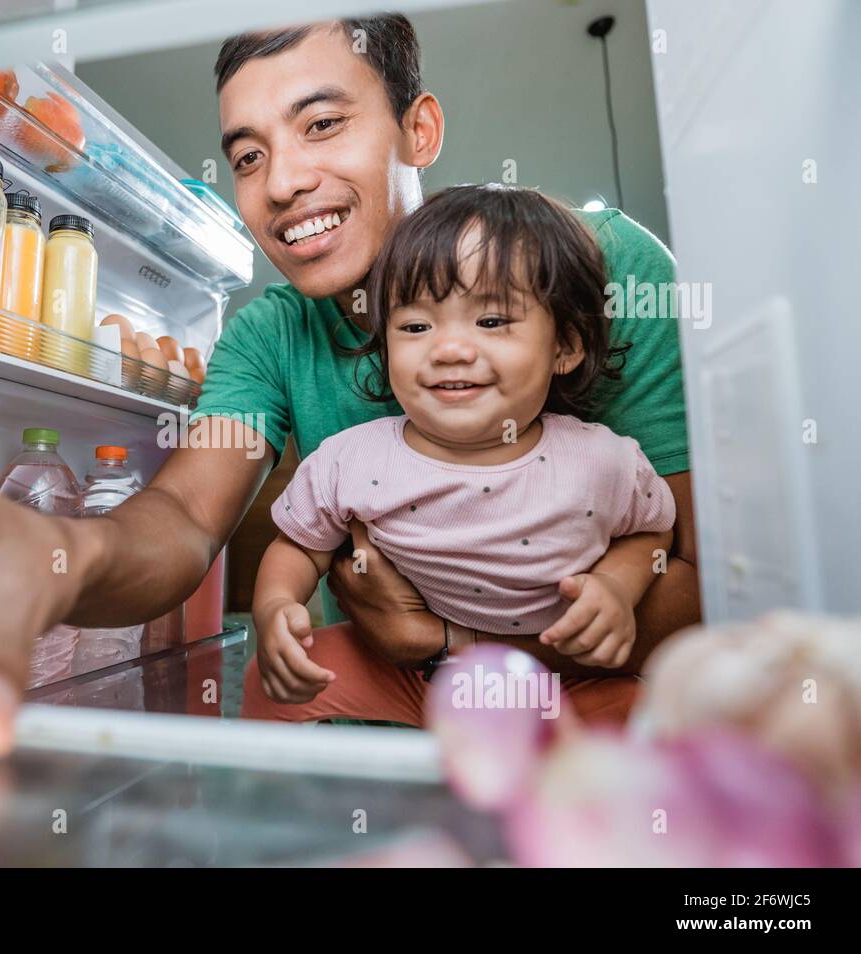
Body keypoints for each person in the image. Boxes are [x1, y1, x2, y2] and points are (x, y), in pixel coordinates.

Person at [0, 15, 700, 754]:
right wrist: (65, 554)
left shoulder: (601, 270)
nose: (281, 183)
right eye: (248, 157)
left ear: (420, 131)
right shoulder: (268, 335)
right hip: (368, 744)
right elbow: (184, 513)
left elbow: (701, 588)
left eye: (321, 123)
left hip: (589, 752)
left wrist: (442, 636)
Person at [250, 183, 676, 723]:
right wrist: (275, 607)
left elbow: (651, 531)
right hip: (407, 675)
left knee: (651, 716)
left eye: (492, 322)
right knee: (269, 683)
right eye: (416, 326)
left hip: (562, 683)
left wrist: (617, 586)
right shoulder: (351, 460)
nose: (448, 350)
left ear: (565, 346)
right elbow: (299, 546)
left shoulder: (603, 461)